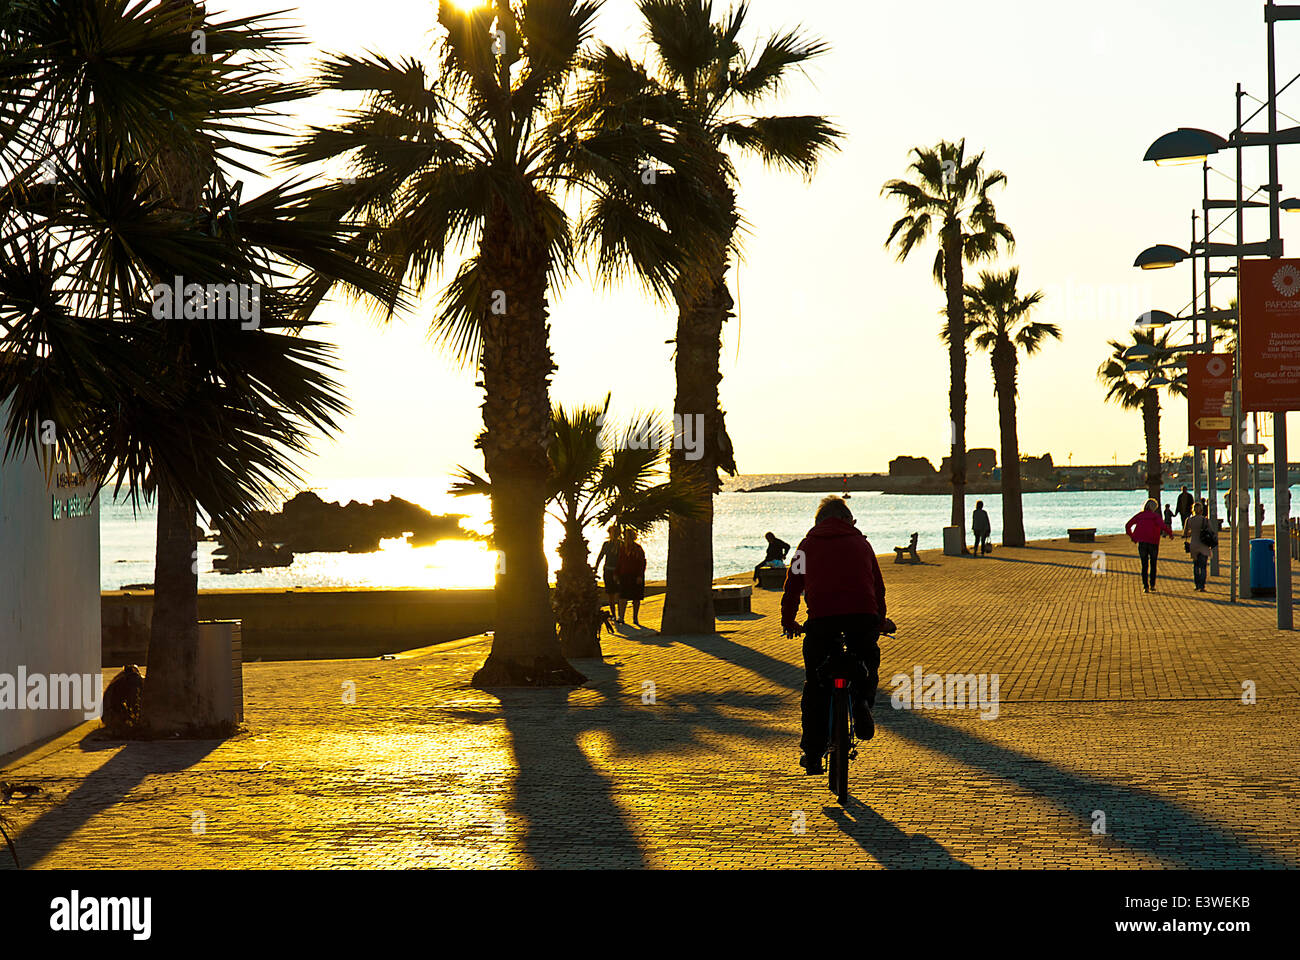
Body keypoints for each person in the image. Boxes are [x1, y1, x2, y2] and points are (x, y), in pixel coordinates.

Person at [781, 496, 890, 775]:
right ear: (849, 521)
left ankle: (814, 753)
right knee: (867, 665)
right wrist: (878, 620)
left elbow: (792, 588)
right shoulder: (862, 545)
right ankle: (863, 701)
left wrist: (788, 620)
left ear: (817, 522)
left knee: (816, 684)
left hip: (822, 621)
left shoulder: (805, 547)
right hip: (862, 618)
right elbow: (878, 587)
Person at [1125, 497, 1175, 593]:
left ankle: (1145, 586)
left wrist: (1133, 537)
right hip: (1153, 542)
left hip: (1142, 542)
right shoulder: (1155, 517)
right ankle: (1152, 585)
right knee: (1153, 564)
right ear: (1153, 508)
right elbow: (1163, 526)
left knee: (1144, 565)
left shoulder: (1140, 515)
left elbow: (1128, 525)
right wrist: (1170, 533)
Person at [616, 528, 647, 627]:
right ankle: (621, 617)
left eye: (628, 537)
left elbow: (642, 563)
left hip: (635, 575)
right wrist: (616, 573)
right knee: (622, 597)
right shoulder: (622, 548)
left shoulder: (638, 549)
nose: (627, 539)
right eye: (625, 537)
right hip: (624, 575)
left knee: (636, 598)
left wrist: (640, 576)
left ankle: (635, 618)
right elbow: (619, 562)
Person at [1184, 501, 1215, 592]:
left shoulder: (1189, 520)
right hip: (1204, 545)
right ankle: (1202, 586)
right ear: (1201, 510)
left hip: (1194, 544)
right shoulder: (1205, 520)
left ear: (1193, 510)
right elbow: (1211, 531)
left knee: (1196, 566)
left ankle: (1197, 585)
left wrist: (1192, 532)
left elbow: (1185, 533)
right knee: (1203, 566)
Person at [595, 526, 621, 620]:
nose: (613, 535)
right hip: (608, 570)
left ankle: (620, 614)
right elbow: (601, 556)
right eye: (612, 533)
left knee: (619, 593)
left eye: (615, 533)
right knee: (610, 593)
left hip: (618, 571)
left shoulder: (621, 544)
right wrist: (596, 567)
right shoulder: (606, 544)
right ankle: (613, 614)